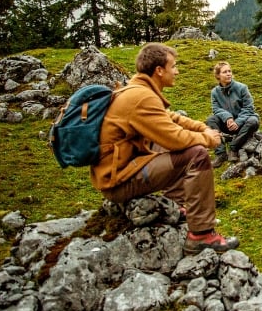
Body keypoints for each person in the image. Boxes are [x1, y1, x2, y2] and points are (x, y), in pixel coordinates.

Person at [94, 43, 239, 255]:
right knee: (196, 154)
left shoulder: (137, 91)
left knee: (173, 145)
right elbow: (175, 138)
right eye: (174, 66)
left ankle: (175, 207)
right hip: (119, 182)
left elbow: (171, 119)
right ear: (159, 70)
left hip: (123, 172)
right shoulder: (141, 97)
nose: (177, 71)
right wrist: (206, 139)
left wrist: (202, 128)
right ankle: (201, 235)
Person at [206, 61, 260, 167]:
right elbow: (216, 109)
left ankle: (233, 148)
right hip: (228, 125)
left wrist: (238, 122)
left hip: (243, 123)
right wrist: (227, 118)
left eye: (229, 71)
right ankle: (221, 154)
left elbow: (249, 108)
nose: (228, 74)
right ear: (218, 76)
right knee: (211, 120)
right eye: (224, 72)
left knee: (253, 121)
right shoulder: (215, 92)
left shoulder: (242, 88)